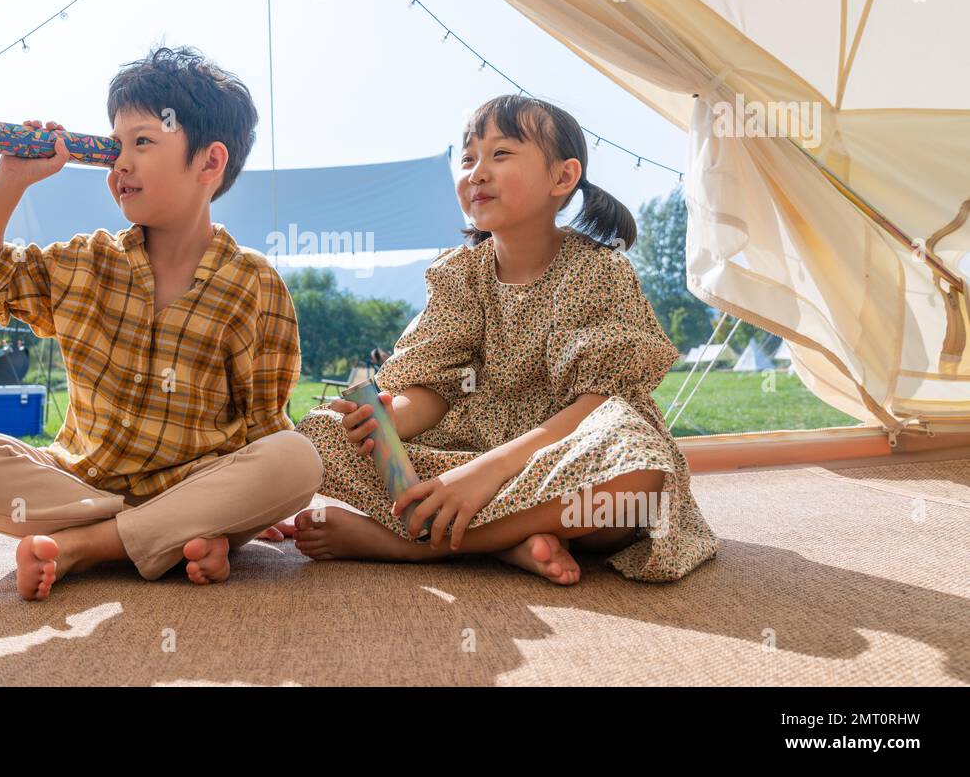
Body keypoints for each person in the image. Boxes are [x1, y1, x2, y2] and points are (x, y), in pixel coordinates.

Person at [0, 45, 321, 600]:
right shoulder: (85, 262)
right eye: (116, 147)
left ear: (210, 163)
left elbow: (264, 424)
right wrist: (12, 180)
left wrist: (255, 509)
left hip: (193, 481)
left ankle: (84, 546)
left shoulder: (255, 285)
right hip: (81, 482)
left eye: (142, 142)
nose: (121, 164)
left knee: (297, 460)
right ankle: (158, 533)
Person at [289, 94, 719, 584]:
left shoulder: (598, 270)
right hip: (465, 450)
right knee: (322, 431)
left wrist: (483, 475)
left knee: (637, 479)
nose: (477, 172)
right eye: (468, 158)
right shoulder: (459, 274)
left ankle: (423, 545)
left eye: (500, 154)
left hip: (566, 453)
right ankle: (505, 541)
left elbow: (598, 406)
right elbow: (434, 386)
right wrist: (391, 419)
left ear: (562, 177)